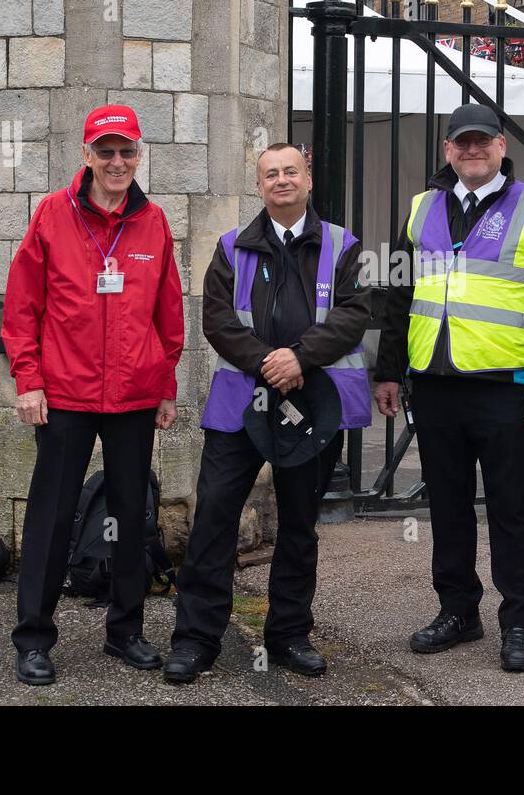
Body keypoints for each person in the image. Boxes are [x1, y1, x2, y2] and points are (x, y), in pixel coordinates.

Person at [375, 103, 524, 673]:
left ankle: (518, 621)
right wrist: (388, 371)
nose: (472, 150)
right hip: (433, 384)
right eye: (462, 143)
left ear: (502, 146)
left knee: (512, 506)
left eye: (483, 141)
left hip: (504, 385)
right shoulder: (421, 208)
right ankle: (458, 610)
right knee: (449, 506)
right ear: (447, 150)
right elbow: (397, 294)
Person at [164, 143, 371, 682]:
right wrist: (269, 363)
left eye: (290, 171)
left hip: (315, 407)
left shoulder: (343, 245)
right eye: (270, 174)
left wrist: (301, 358)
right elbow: (216, 320)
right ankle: (195, 640)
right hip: (241, 406)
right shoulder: (232, 248)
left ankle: (288, 635)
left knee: (299, 526)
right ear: (259, 186)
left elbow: (354, 314)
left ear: (308, 180)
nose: (281, 180)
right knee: (212, 519)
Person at [2, 104, 184, 686]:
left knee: (133, 517)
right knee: (52, 517)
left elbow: (168, 314)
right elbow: (22, 306)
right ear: (86, 155)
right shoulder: (53, 214)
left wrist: (165, 384)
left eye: (126, 150)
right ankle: (33, 637)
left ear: (139, 155)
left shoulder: (153, 222)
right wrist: (28, 380)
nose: (116, 161)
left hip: (132, 393)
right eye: (105, 151)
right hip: (64, 394)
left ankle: (125, 630)